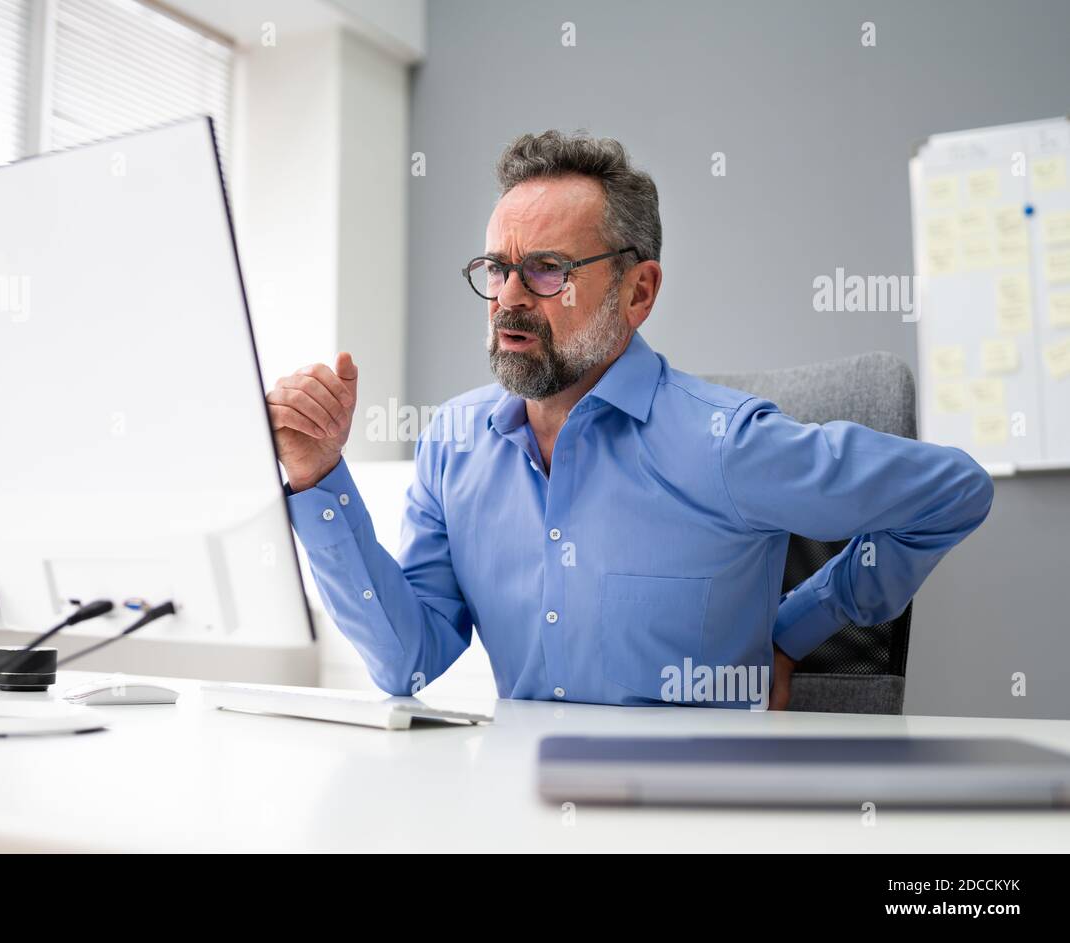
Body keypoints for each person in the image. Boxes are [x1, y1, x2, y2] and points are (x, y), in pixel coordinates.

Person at [266, 130, 992, 709]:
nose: (509, 298)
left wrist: (794, 629)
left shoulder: (728, 447)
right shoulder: (452, 447)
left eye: (548, 269)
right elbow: (408, 661)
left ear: (637, 291)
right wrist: (318, 475)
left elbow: (955, 490)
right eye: (497, 267)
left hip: (692, 816)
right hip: (516, 809)